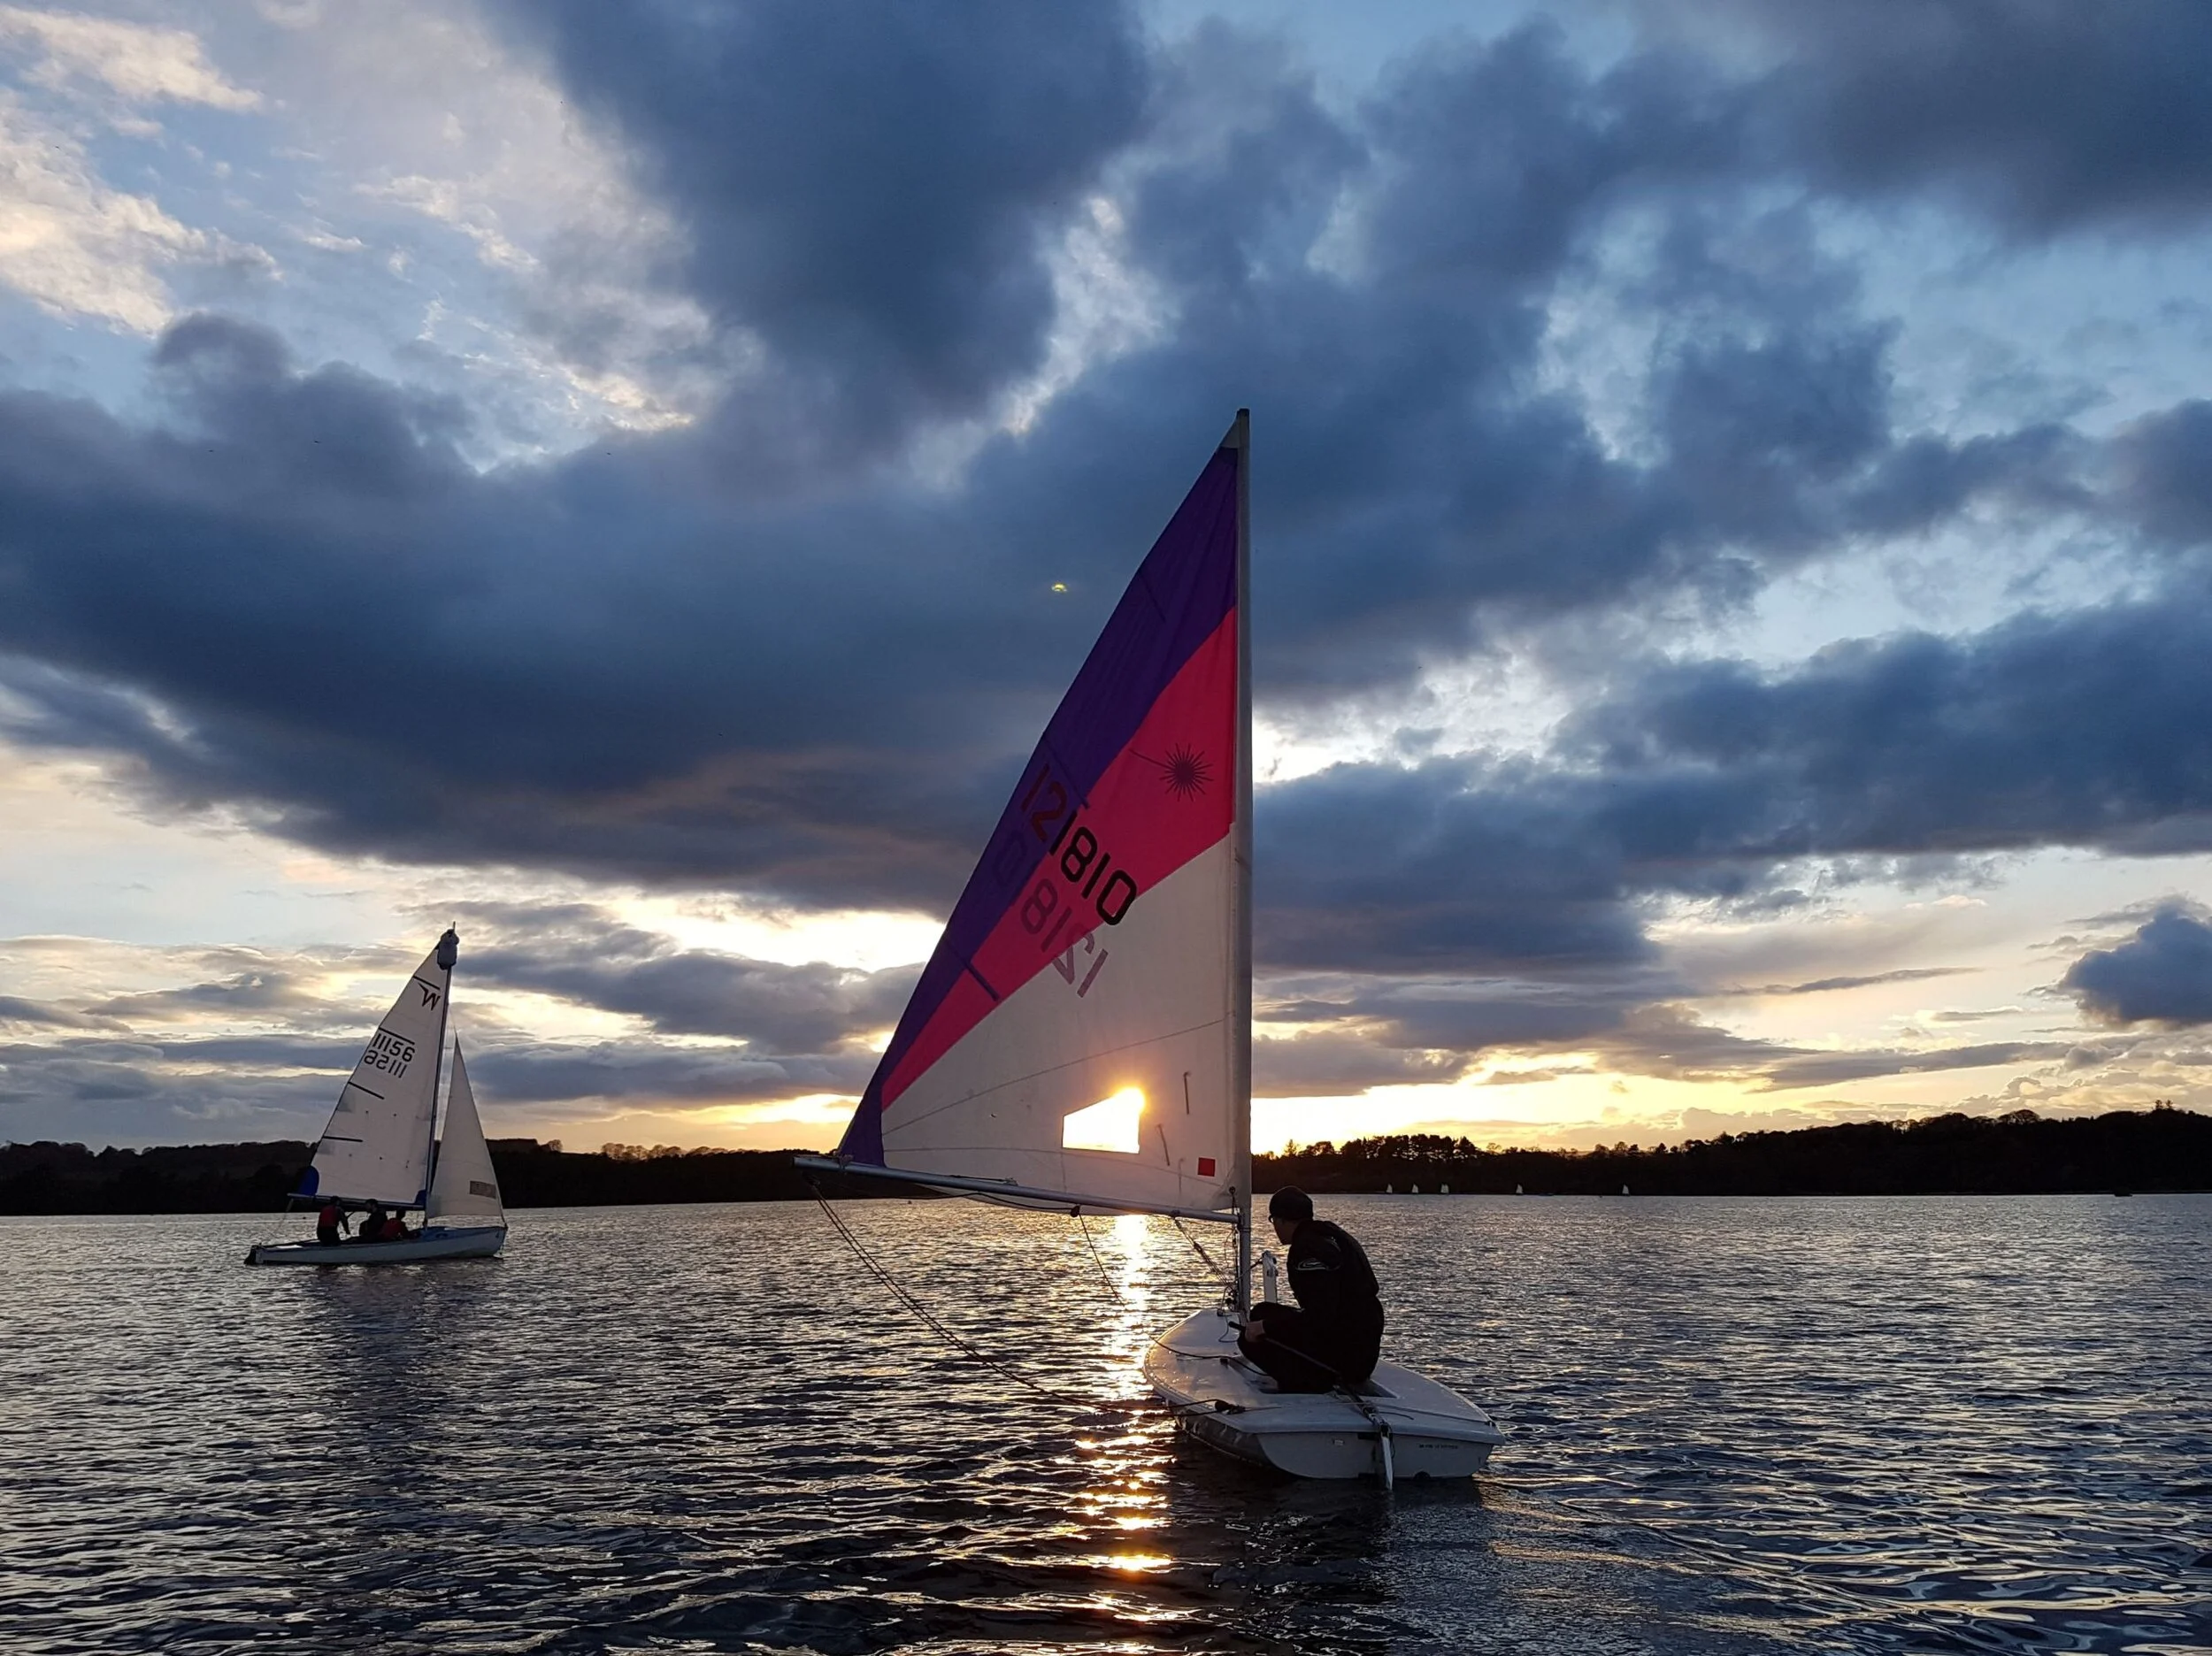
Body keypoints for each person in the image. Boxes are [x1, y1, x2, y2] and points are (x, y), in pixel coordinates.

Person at [1237, 1187, 1385, 1393]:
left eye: (1273, 1221)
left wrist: (1266, 1328)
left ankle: (1308, 1382)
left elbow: (1321, 1316)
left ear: (1280, 1220)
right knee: (1263, 1312)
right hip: (1364, 1346)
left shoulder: (1306, 1249)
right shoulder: (1334, 1236)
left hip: (1348, 1357)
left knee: (1249, 1335)